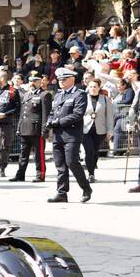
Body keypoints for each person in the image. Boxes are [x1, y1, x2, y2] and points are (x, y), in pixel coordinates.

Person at [46, 67, 92, 203]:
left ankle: (86, 188)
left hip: (72, 134)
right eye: (59, 80)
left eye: (64, 79)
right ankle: (62, 192)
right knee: (60, 165)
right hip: (58, 134)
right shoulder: (59, 94)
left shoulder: (79, 94)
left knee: (72, 162)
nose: (61, 82)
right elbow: (52, 112)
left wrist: (58, 122)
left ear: (72, 79)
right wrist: (49, 121)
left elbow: (78, 114)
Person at [11, 73, 51, 182]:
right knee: (23, 154)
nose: (32, 83)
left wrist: (45, 130)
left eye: (35, 81)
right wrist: (19, 127)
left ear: (40, 82)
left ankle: (40, 175)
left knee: (39, 155)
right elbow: (22, 113)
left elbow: (45, 114)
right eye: (30, 81)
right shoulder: (26, 95)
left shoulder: (44, 94)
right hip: (25, 128)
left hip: (37, 129)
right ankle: (20, 175)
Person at [82, 77, 111, 183]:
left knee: (95, 151)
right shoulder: (83, 98)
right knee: (89, 151)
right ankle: (91, 173)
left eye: (95, 86)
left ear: (99, 88)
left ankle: (92, 168)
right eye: (90, 86)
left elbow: (109, 116)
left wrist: (110, 130)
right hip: (85, 129)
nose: (93, 88)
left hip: (100, 129)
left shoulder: (105, 99)